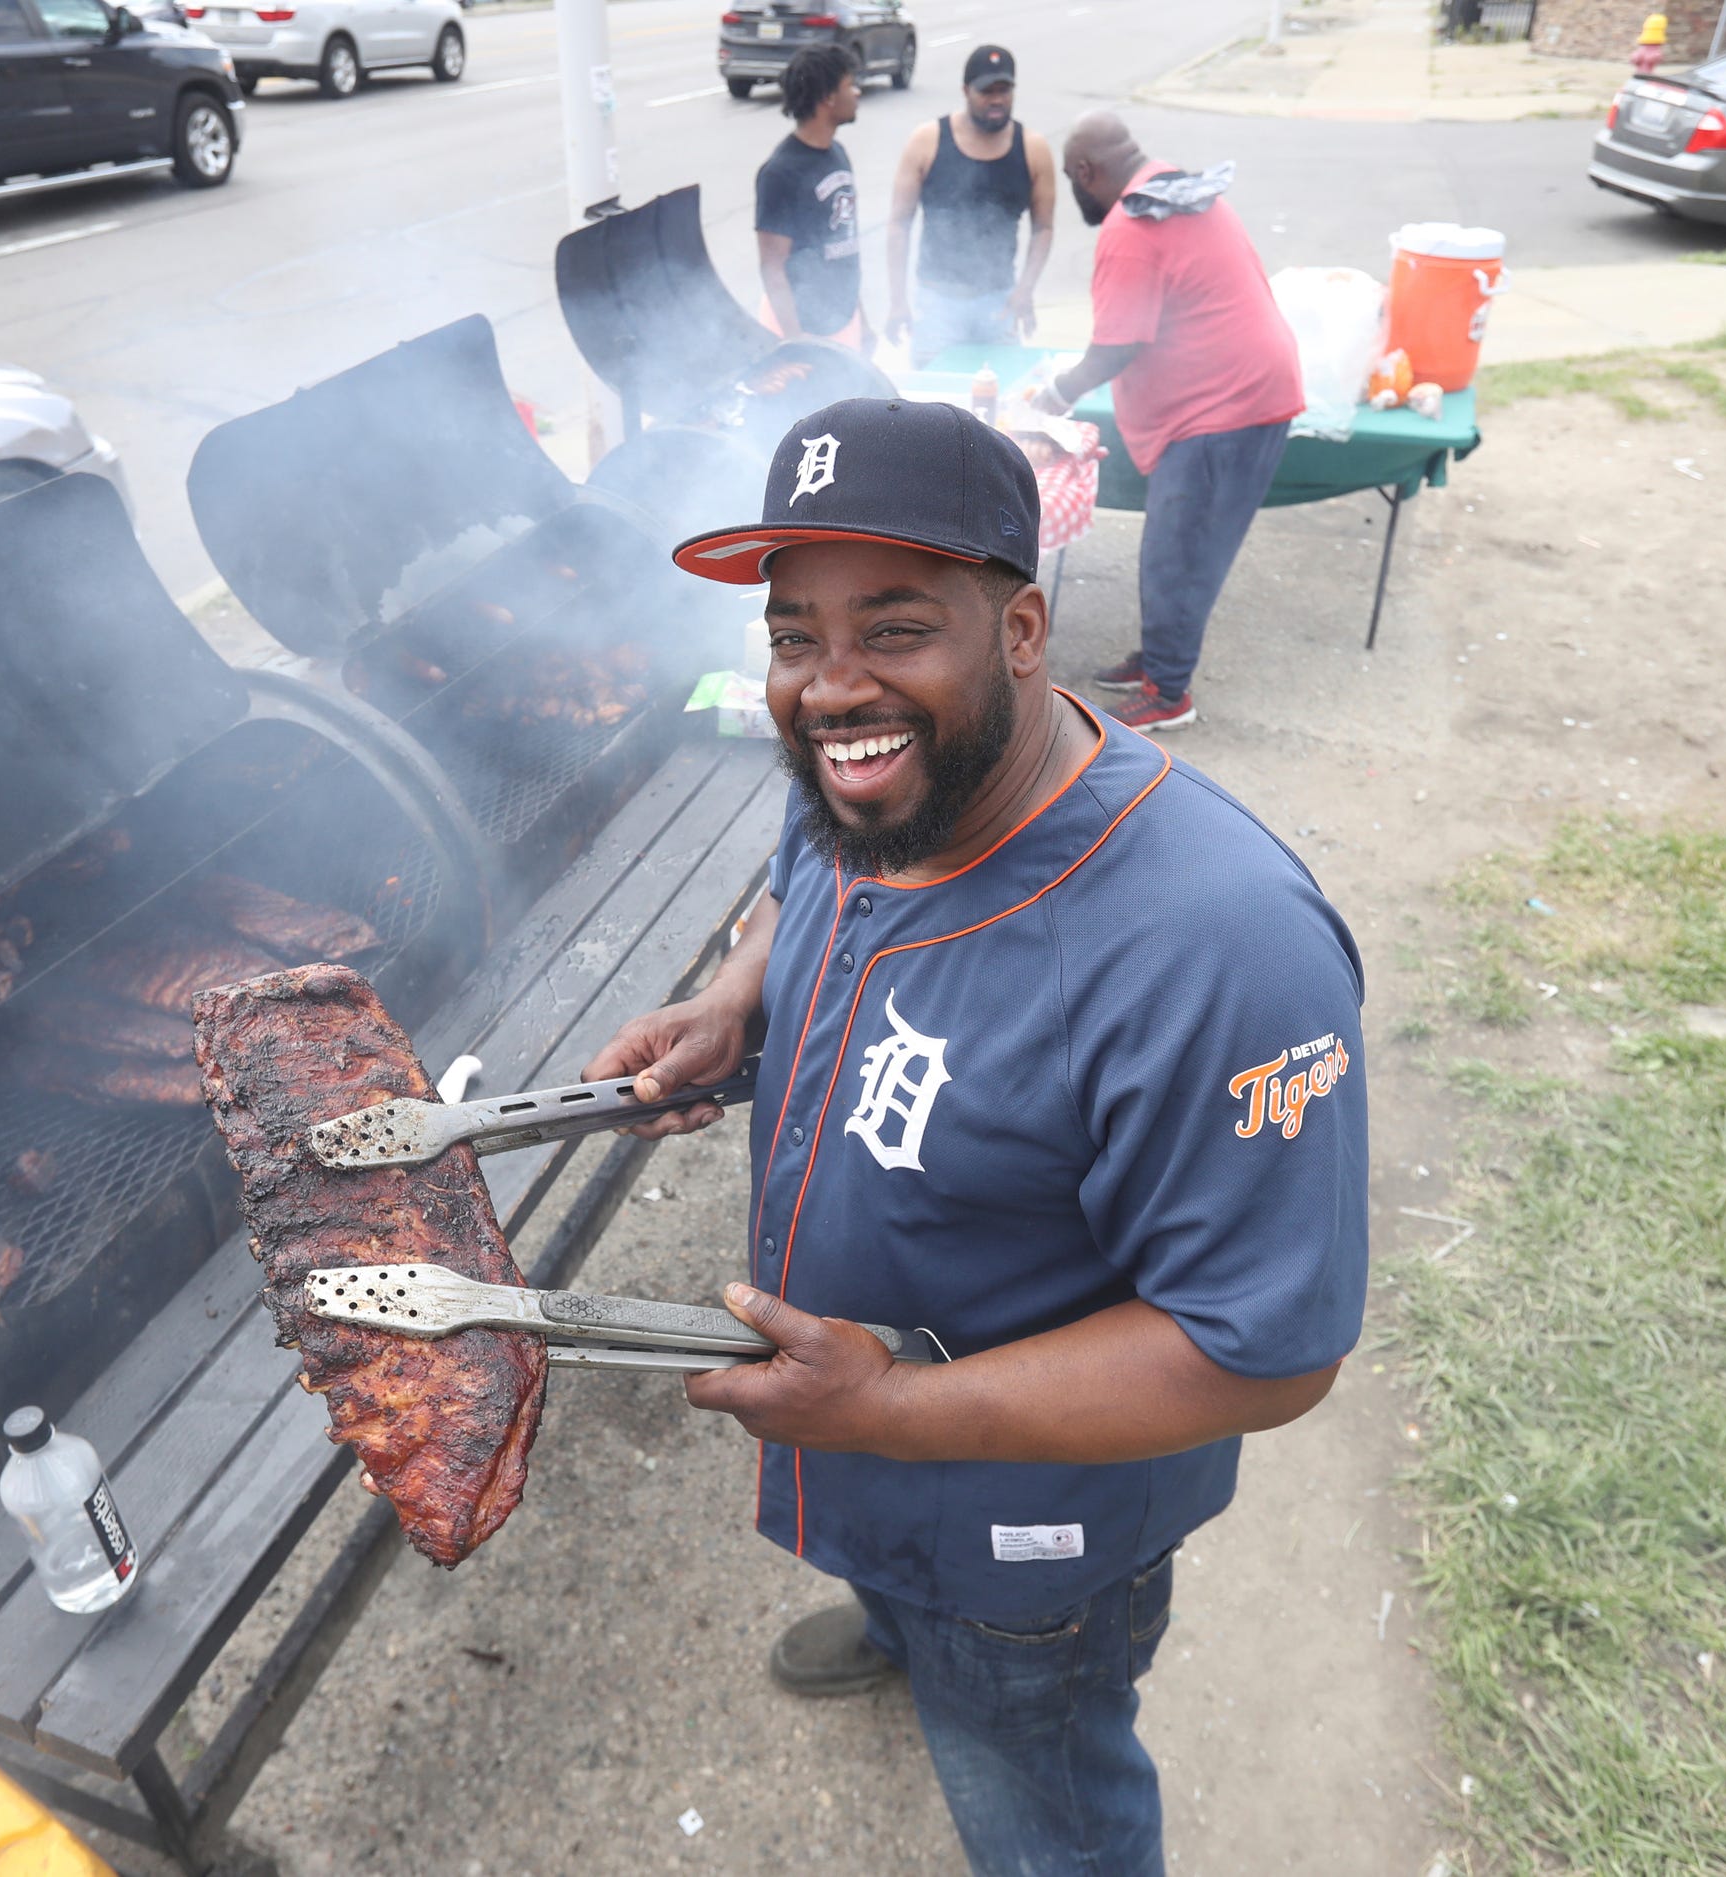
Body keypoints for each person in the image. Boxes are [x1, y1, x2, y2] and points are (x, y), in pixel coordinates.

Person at [587, 396, 1368, 1877]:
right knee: (915, 1589)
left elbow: (1268, 1349)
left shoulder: (1215, 942)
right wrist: (740, 994)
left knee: (1035, 1778)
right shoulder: (879, 773)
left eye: (894, 629)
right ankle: (899, 1610)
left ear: (1020, 632)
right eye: (794, 637)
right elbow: (806, 858)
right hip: (874, 1421)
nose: (830, 690)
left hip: (1034, 1542)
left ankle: (967, 1658)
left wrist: (884, 1415)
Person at [1024, 112, 1303, 733]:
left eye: (1074, 182)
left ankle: (1168, 691)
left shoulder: (1131, 225)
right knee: (1175, 544)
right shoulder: (1176, 192)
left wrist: (1053, 396)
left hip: (1225, 409)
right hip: (1242, 395)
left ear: (1086, 172)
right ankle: (1158, 659)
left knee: (1179, 553)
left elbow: (1117, 346)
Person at [883, 45, 1057, 362]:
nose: (996, 100)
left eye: (1004, 90)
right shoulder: (927, 140)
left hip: (999, 304)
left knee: (999, 399)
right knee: (931, 406)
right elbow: (898, 223)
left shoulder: (1033, 148)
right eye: (986, 91)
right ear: (965, 91)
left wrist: (1025, 291)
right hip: (936, 303)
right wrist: (897, 301)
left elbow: (1043, 228)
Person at [755, 44, 868, 349]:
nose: (857, 92)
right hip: (801, 332)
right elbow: (772, 266)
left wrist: (863, 321)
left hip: (843, 323)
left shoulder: (838, 154)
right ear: (828, 97)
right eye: (849, 85)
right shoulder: (780, 172)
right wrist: (795, 342)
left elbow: (846, 245)